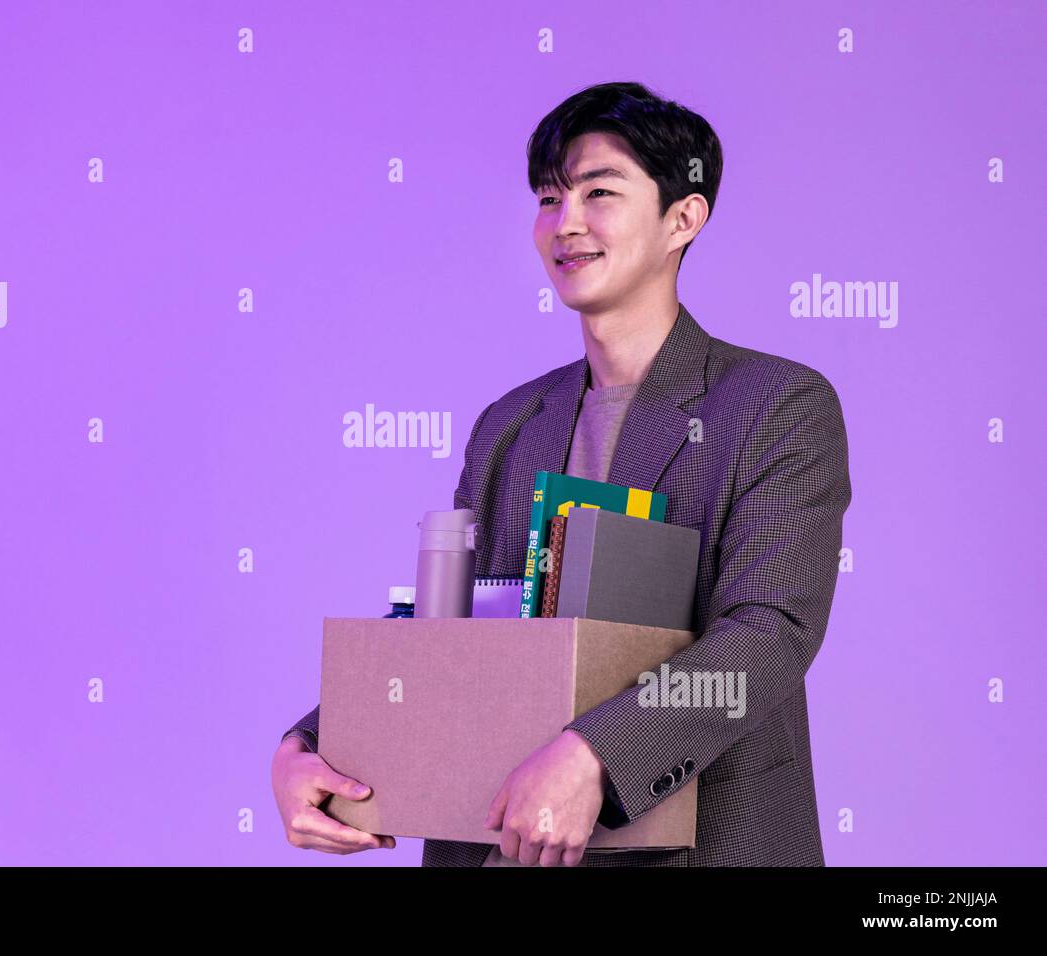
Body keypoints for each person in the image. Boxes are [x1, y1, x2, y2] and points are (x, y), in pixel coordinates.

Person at [271, 81, 851, 866]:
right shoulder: (510, 423)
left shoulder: (776, 403)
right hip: (500, 841)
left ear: (684, 217)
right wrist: (311, 743)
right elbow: (455, 628)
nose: (564, 224)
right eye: (548, 198)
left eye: (599, 193)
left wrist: (594, 753)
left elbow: (767, 636)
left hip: (701, 841)